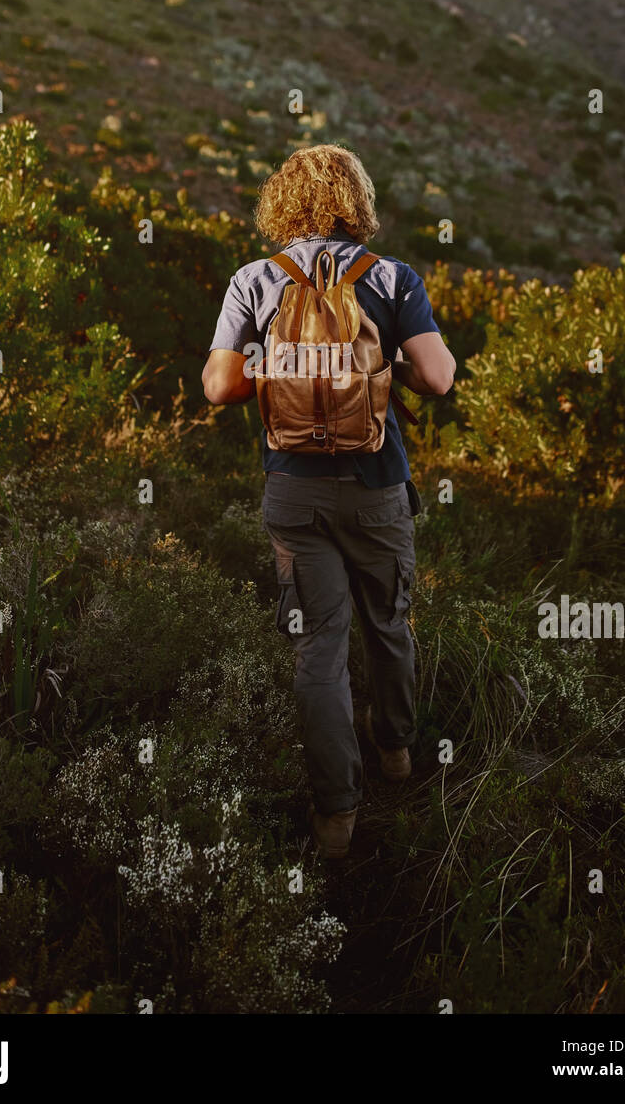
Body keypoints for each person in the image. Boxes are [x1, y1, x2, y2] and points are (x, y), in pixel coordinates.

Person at [202, 144, 456, 857]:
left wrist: (282, 373)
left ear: (283, 201)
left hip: (293, 490)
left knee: (319, 644)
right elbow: (438, 378)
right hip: (376, 488)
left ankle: (335, 816)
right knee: (389, 623)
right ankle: (397, 752)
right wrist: (382, 373)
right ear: (357, 200)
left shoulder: (255, 279)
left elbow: (218, 387)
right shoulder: (393, 278)